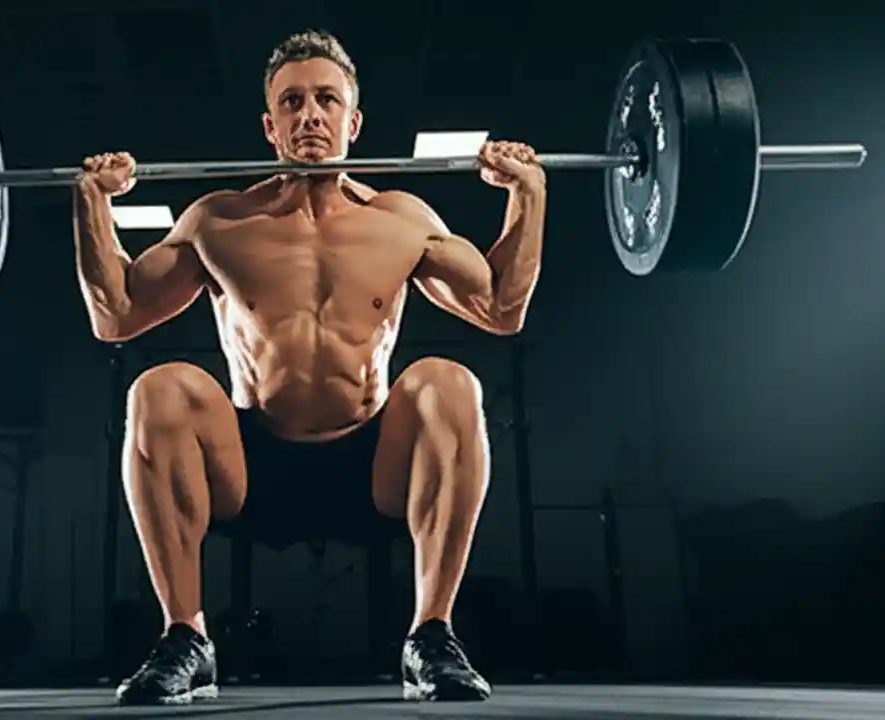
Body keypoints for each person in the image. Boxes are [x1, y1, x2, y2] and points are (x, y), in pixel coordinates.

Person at [72, 29, 545, 705]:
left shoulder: (401, 219)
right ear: (271, 126)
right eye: (292, 103)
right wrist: (92, 203)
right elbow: (115, 318)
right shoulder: (219, 221)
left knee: (450, 383)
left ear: (353, 121)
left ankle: (431, 636)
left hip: (372, 467)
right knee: (159, 389)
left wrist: (528, 194)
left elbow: (501, 309)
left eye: (326, 99)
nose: (310, 115)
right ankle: (186, 637)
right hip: (252, 467)